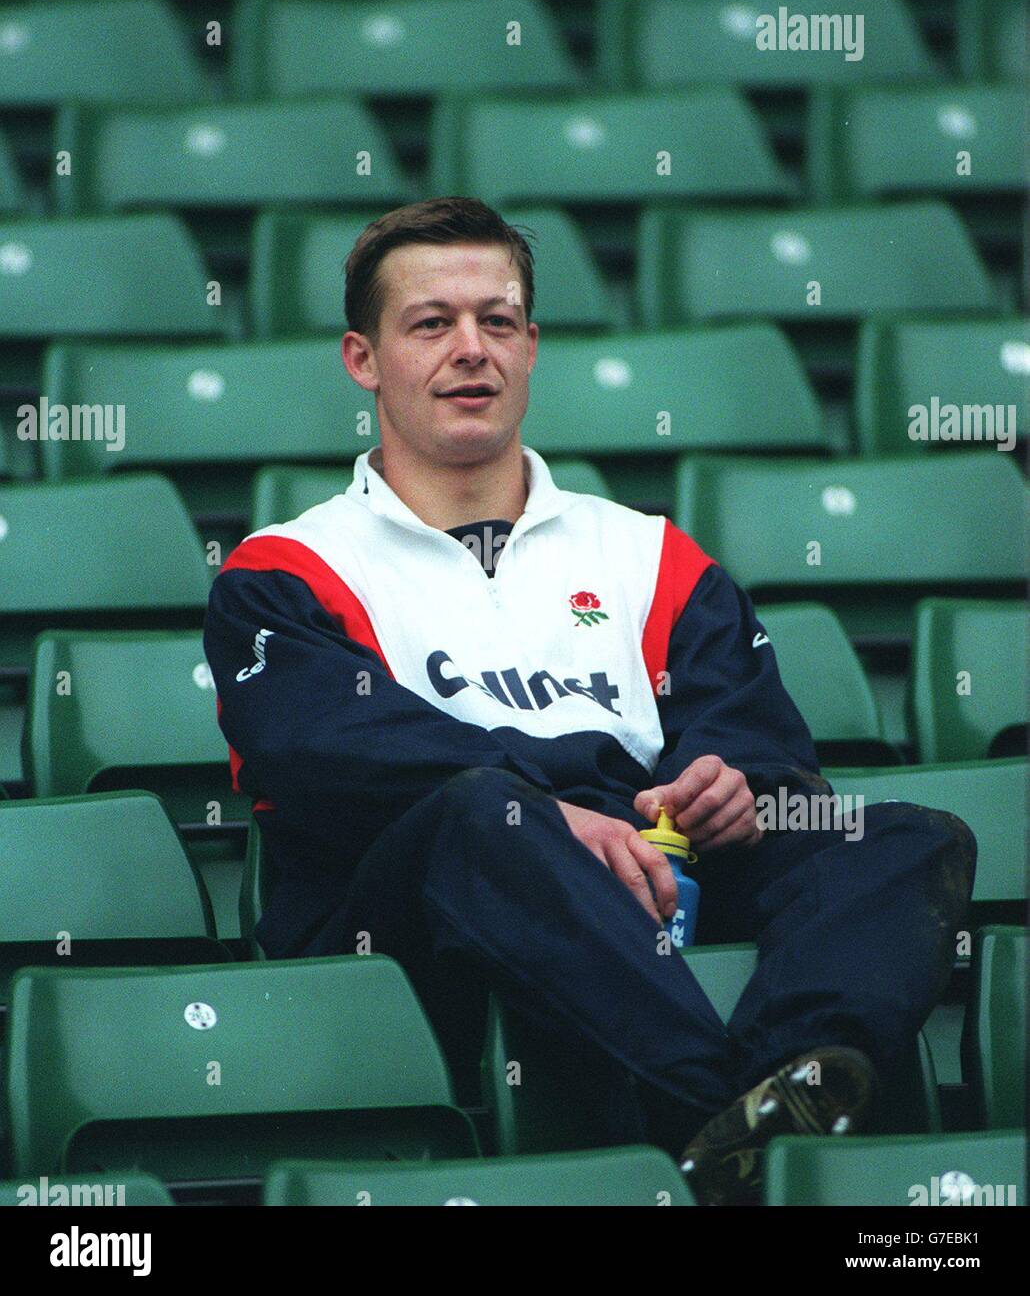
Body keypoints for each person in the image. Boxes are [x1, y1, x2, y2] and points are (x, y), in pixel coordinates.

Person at [203, 197, 976, 1204]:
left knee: (906, 834)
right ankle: (726, 1126)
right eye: (430, 323)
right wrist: (547, 812)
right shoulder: (286, 571)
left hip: (655, 868)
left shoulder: (644, 553)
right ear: (363, 358)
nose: (469, 349)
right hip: (410, 925)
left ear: (532, 345)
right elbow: (316, 754)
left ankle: (786, 1087)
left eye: (498, 321)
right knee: (483, 813)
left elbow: (751, 732)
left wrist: (726, 784)